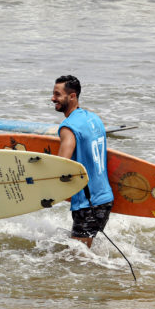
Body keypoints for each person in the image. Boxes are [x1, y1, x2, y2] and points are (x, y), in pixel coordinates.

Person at [51, 75, 114, 248]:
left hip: (88, 204)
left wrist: (44, 195)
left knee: (77, 261)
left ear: (72, 96)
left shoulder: (68, 127)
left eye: (57, 94)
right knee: (85, 254)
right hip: (105, 199)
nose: (52, 98)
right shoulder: (94, 119)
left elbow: (60, 166)